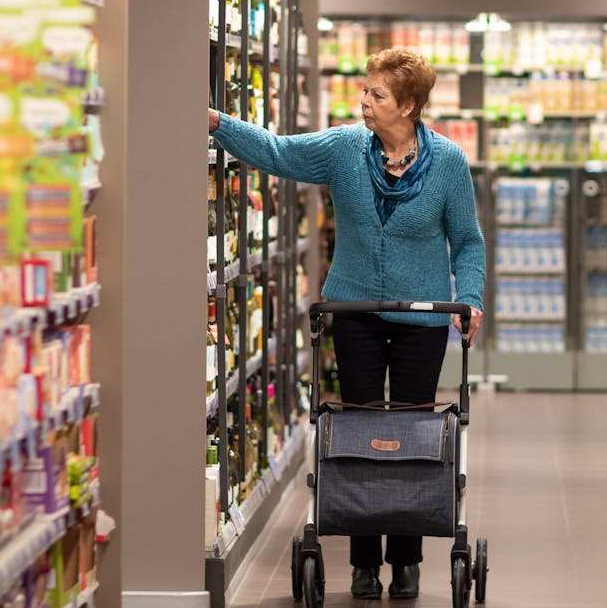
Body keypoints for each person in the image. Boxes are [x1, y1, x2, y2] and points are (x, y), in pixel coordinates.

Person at [208, 47, 485, 600]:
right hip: (352, 312)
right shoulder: (343, 148)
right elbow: (278, 152)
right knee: (357, 429)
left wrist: (470, 299)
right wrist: (217, 123)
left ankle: (406, 559)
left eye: (377, 94)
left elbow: (468, 241)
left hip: (422, 317)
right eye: (365, 90)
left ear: (407, 105)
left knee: (412, 434)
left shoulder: (450, 162)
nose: (364, 101)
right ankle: (363, 560)